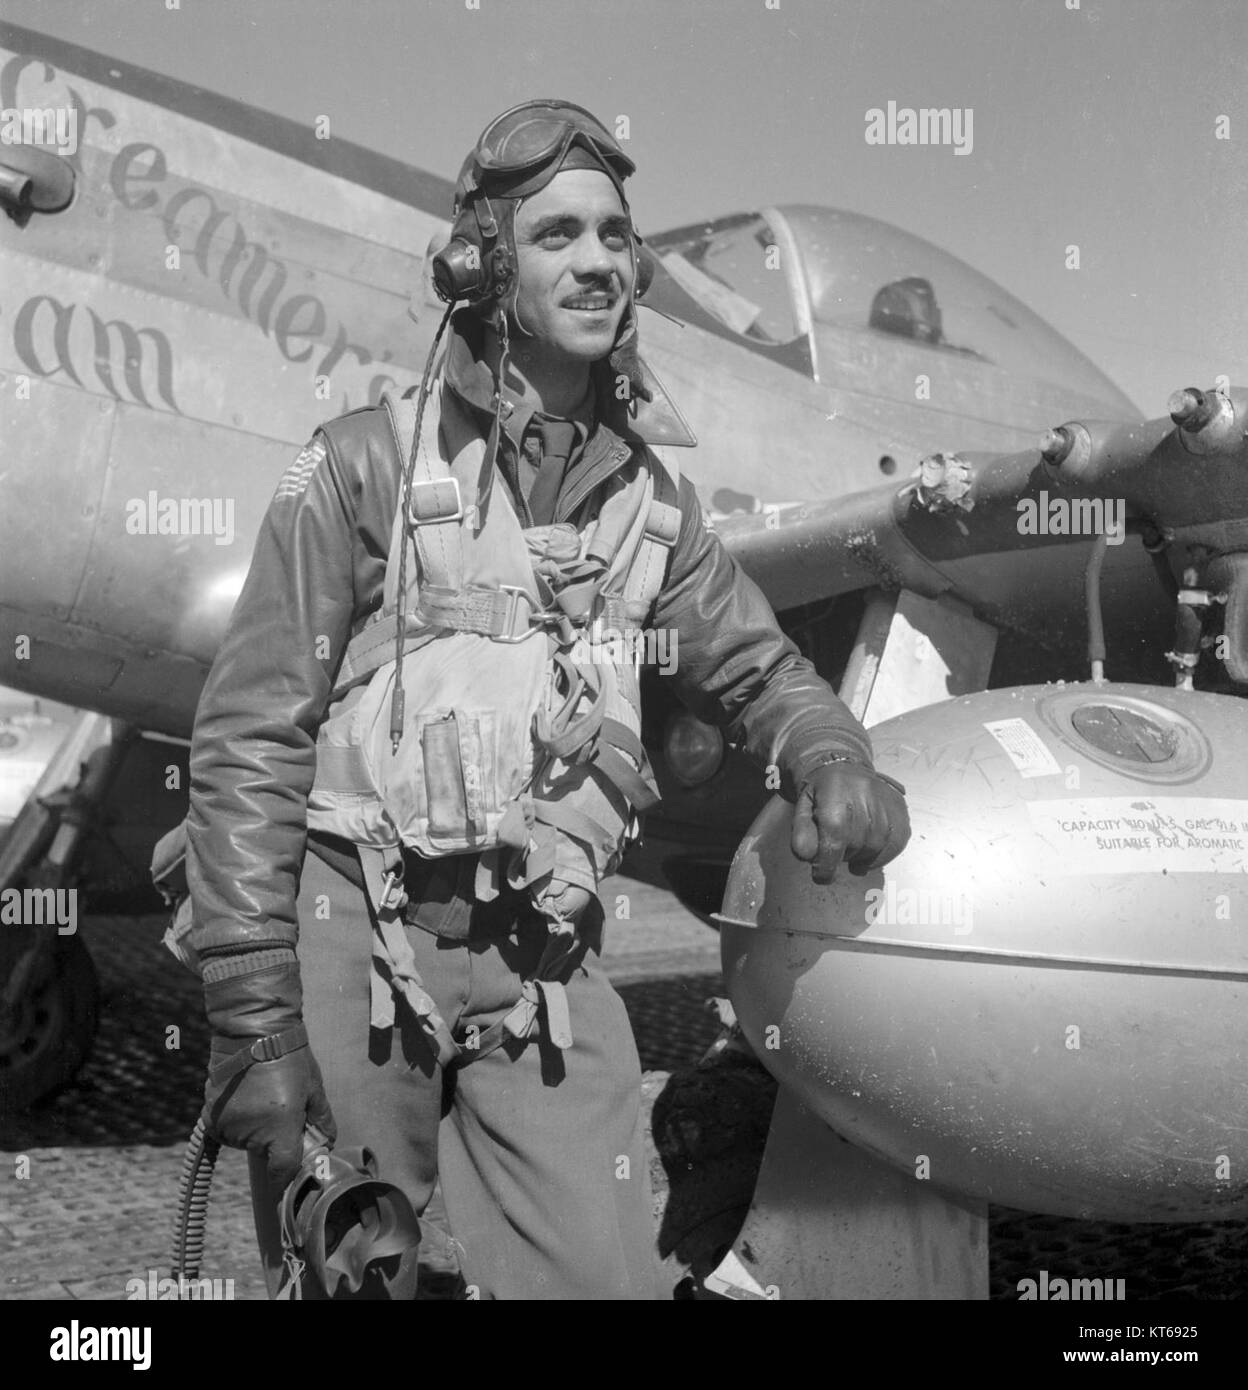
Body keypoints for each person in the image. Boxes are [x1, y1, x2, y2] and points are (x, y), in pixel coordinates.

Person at [184, 99, 910, 1301]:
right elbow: (250, 735)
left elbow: (760, 667)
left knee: (605, 1272)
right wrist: (252, 1021)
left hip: (541, 953)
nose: (598, 263)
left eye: (617, 238)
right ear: (483, 264)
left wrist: (829, 748)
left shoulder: (654, 508)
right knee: (364, 1281)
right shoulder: (362, 465)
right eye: (558, 234)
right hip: (357, 933)